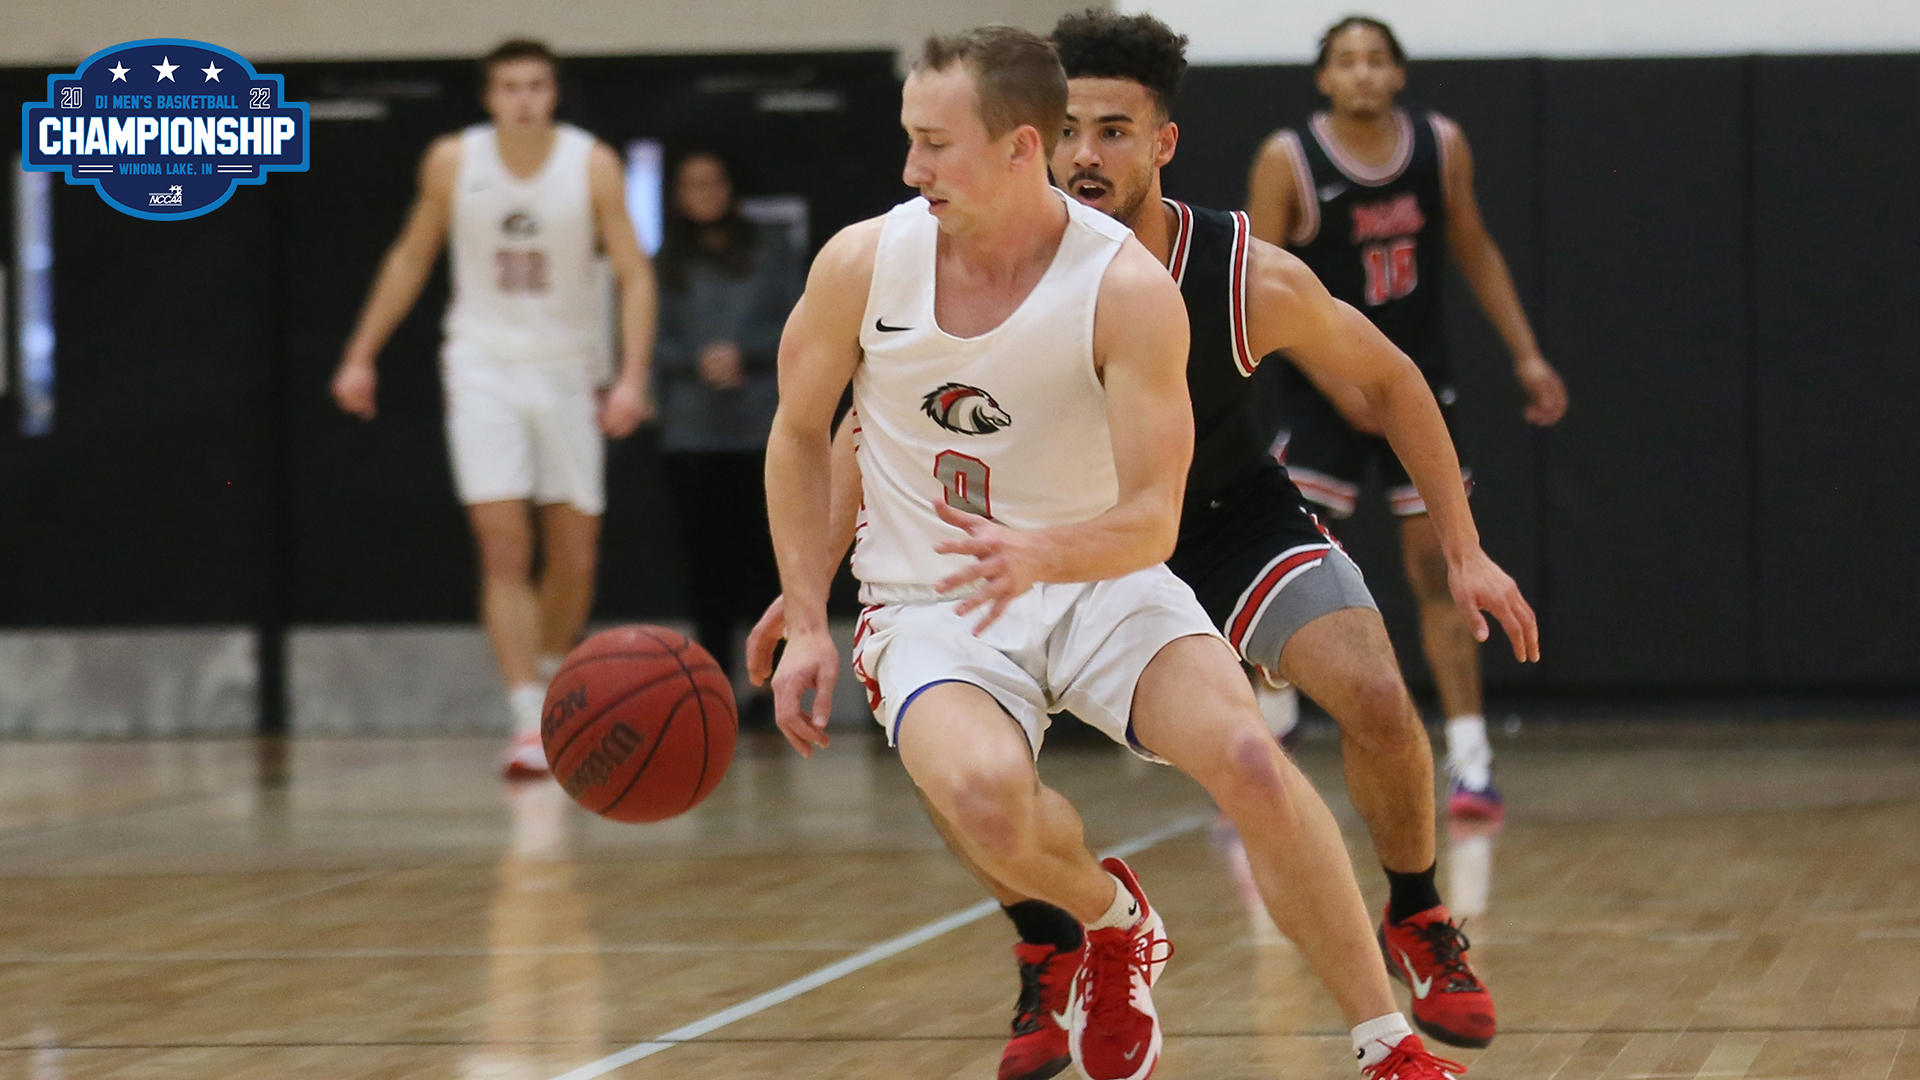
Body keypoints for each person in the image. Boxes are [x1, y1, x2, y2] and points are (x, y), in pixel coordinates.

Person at [749, 12, 1534, 1068]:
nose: (911, 167)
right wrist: (805, 601)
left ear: (1024, 145)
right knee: (979, 795)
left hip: (1146, 549)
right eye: (912, 140)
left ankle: (1396, 1002)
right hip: (946, 589)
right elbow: (833, 433)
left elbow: (1192, 496)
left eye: (934, 143)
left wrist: (1465, 548)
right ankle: (1090, 927)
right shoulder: (868, 263)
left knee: (1286, 740)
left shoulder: (1148, 283)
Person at [1247, 16, 1568, 822]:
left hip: (1417, 386)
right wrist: (1336, 382)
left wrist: (1527, 355)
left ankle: (1471, 759)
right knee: (1276, 561)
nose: (1362, 72)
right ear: (1323, 77)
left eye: (1376, 59)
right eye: (1346, 60)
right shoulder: (1288, 158)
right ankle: (1272, 725)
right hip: (1319, 387)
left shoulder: (1439, 145)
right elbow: (1250, 282)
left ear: (1398, 73)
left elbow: (1475, 246)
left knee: (1441, 569)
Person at [331, 39, 656, 779]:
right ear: (489, 96)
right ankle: (525, 712)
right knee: (502, 543)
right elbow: (410, 256)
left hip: (568, 367)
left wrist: (631, 377)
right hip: (481, 365)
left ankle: (549, 675)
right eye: (510, 86)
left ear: (553, 92)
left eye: (536, 85)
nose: (523, 99)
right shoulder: (454, 159)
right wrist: (360, 353)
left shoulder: (592, 162)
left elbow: (635, 274)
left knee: (574, 550)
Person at [653, 149, 800, 725]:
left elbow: (800, 322)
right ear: (678, 194)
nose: (705, 193)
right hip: (692, 433)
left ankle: (774, 688)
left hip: (761, 427)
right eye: (693, 184)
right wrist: (698, 359)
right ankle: (711, 687)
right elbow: (648, 342)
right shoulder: (664, 262)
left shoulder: (772, 248)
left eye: (713, 182)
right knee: (705, 566)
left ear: (730, 187)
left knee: (768, 561)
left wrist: (746, 353)